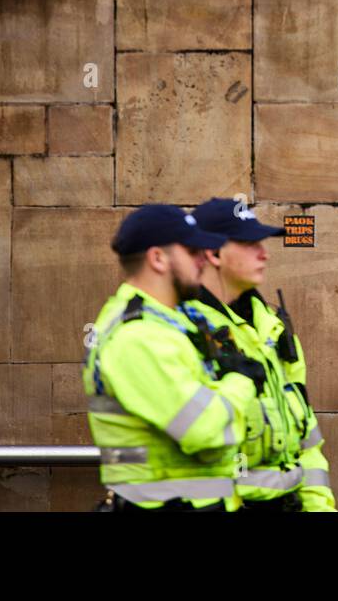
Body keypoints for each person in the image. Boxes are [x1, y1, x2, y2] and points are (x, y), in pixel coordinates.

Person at [83, 204, 269, 512]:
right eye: (193, 251)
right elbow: (205, 431)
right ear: (158, 258)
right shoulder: (138, 337)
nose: (203, 260)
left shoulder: (170, 324)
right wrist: (242, 381)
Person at [185, 198, 337, 512]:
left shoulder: (273, 328)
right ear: (213, 253)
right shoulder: (182, 331)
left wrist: (319, 507)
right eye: (249, 243)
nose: (264, 253)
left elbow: (306, 440)